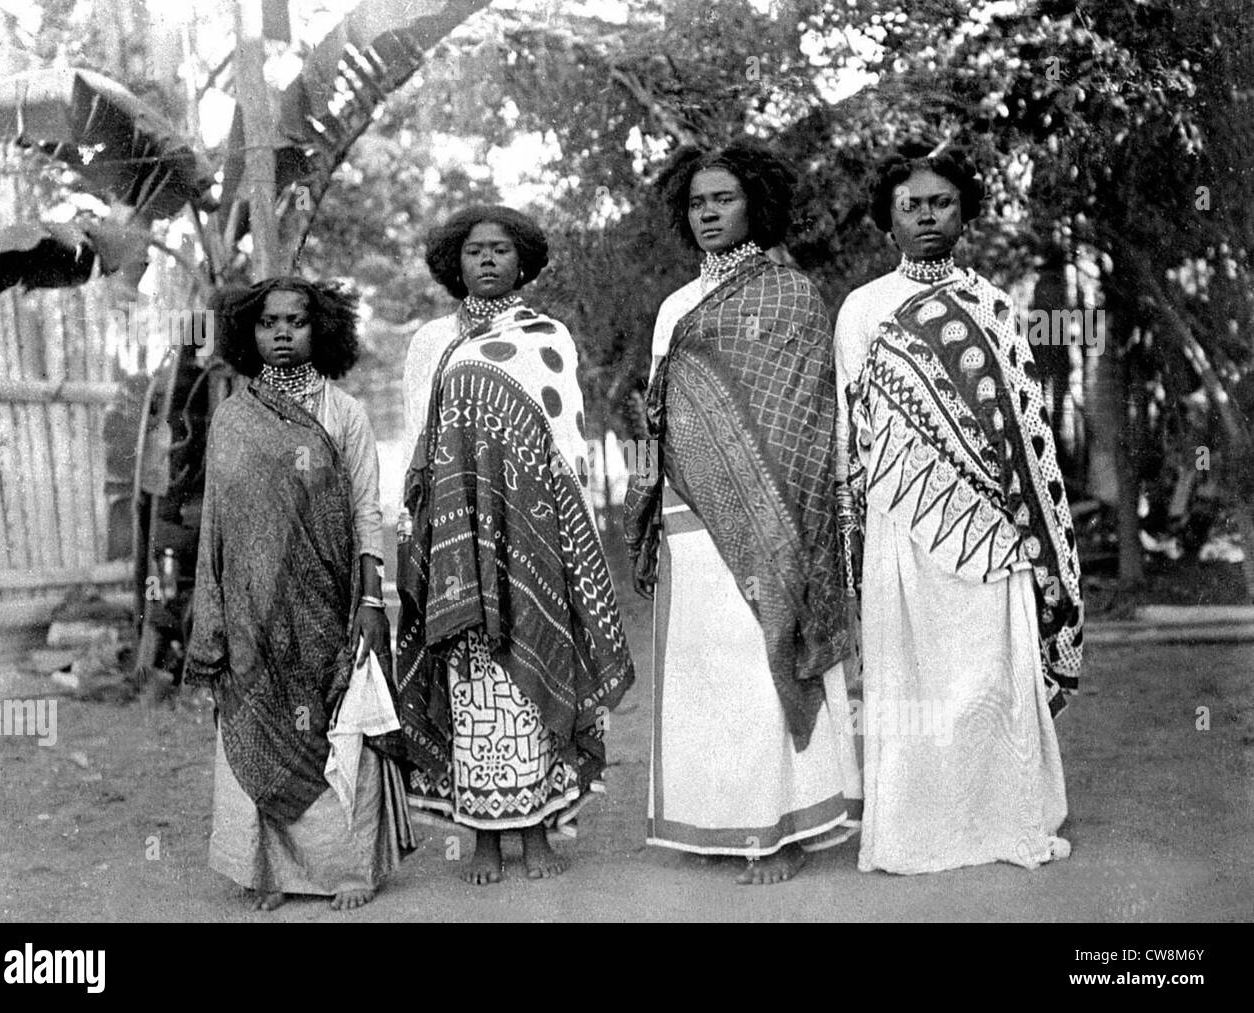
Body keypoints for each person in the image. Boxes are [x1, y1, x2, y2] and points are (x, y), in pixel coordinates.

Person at [833, 143, 1084, 874]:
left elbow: (1025, 433)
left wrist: (1025, 535)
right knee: (912, 682)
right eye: (910, 206)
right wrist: (855, 535)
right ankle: (915, 831)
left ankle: (1004, 821)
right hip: (899, 523)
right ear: (888, 221)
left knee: (987, 681)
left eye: (941, 203)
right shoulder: (862, 309)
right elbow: (852, 428)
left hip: (993, 530)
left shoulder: (994, 307)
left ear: (964, 213)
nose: (927, 216)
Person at [623, 140, 862, 886]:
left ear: (754, 203)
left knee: (766, 663)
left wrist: (795, 516)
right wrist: (642, 507)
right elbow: (655, 420)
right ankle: (724, 818)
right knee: (710, 671)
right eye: (697, 203)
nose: (709, 213)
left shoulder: (792, 296)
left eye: (723, 199)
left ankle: (781, 830)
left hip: (776, 518)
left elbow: (808, 419)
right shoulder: (674, 308)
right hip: (687, 517)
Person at [396, 205, 634, 885]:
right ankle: (480, 839)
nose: (489, 260)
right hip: (456, 537)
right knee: (471, 680)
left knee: (531, 673)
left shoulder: (547, 336)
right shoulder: (431, 341)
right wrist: (424, 530)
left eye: (502, 250)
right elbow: (421, 437)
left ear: (524, 261)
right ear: (455, 262)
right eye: (475, 251)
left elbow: (568, 442)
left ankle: (535, 834)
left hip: (534, 534)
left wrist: (561, 533)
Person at [186, 276, 414, 912]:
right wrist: (216, 620)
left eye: (296, 321)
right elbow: (217, 526)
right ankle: (266, 871)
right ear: (247, 333)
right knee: (256, 722)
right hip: (252, 611)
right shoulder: (232, 418)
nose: (281, 333)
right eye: (267, 323)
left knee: (341, 725)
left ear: (324, 330)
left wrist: (372, 601)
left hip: (330, 601)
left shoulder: (345, 413)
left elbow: (368, 510)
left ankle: (350, 870)